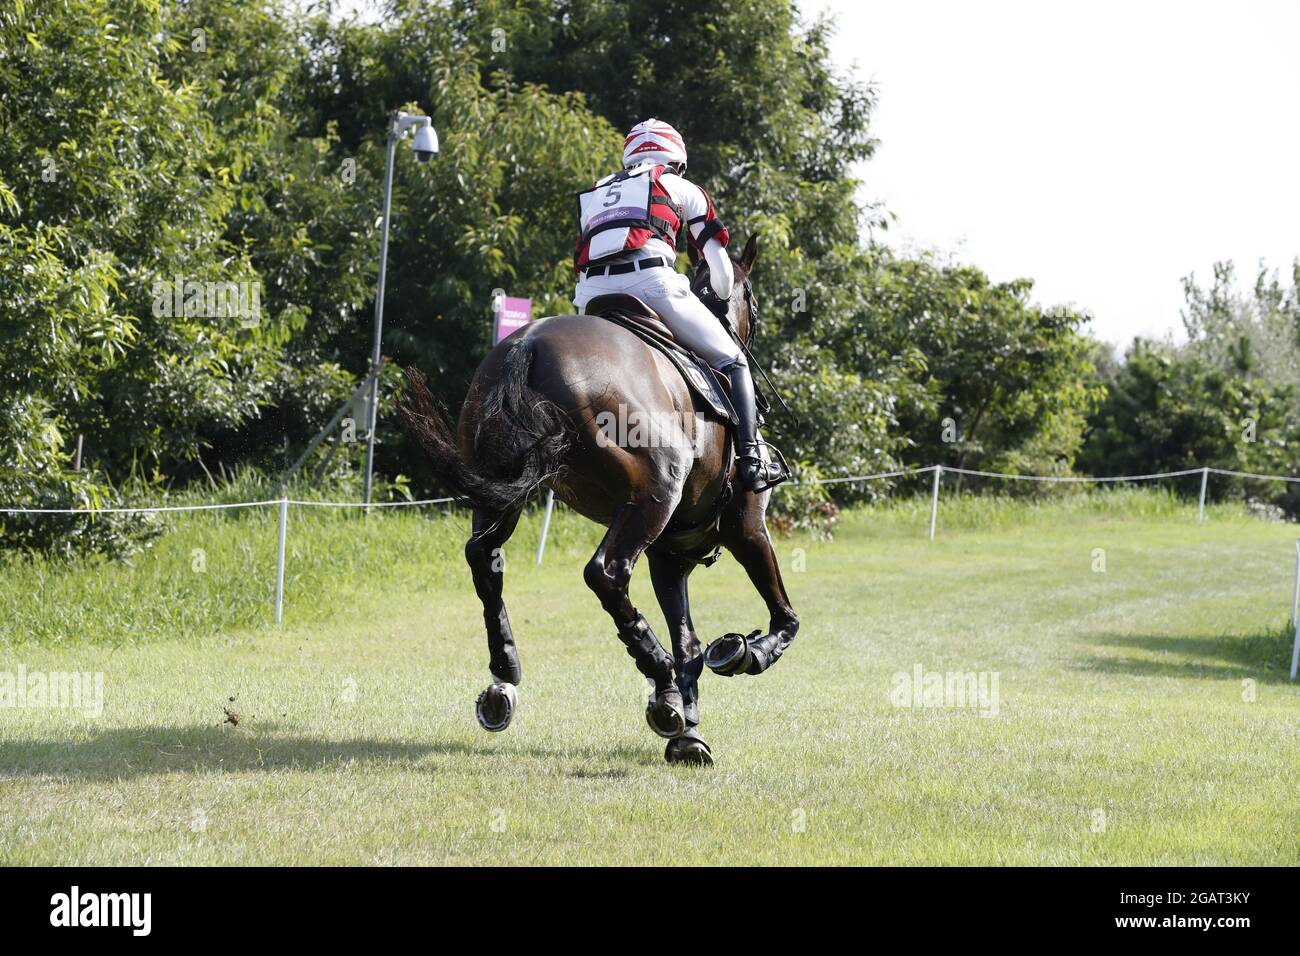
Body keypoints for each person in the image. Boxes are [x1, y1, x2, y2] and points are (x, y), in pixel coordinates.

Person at [573, 118, 786, 492]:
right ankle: (752, 460)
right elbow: (721, 274)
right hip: (652, 283)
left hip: (589, 295)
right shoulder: (682, 187)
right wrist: (717, 298)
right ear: (676, 160)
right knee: (734, 362)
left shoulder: (598, 190)